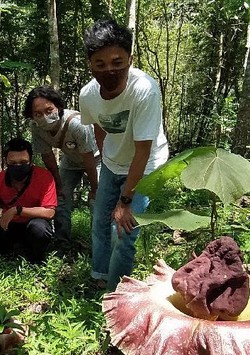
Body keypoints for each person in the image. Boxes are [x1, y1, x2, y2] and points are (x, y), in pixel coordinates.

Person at [79, 19, 169, 291]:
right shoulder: (88, 95)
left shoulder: (144, 91)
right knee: (99, 221)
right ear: (91, 65)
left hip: (146, 165)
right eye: (100, 64)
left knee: (123, 230)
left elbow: (143, 151)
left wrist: (125, 201)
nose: (109, 70)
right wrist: (105, 161)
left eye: (117, 62)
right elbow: (99, 130)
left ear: (130, 59)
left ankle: (117, 294)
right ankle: (99, 276)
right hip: (111, 163)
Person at [24, 86, 100, 250]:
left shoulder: (77, 124)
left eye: (49, 110)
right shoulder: (37, 128)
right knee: (61, 198)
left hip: (96, 160)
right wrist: (57, 184)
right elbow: (47, 156)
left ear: (57, 106)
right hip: (70, 161)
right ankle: (61, 242)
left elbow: (88, 158)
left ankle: (98, 246)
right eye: (38, 113)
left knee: (97, 201)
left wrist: (94, 187)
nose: (44, 116)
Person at [0, 138, 58, 263]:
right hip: (10, 224)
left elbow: (49, 212)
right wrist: (9, 212)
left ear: (31, 161)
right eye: (13, 163)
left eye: (23, 162)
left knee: (39, 229)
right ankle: (9, 250)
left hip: (35, 224)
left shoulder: (44, 178)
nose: (18, 166)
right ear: (6, 162)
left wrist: (17, 210)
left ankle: (37, 261)